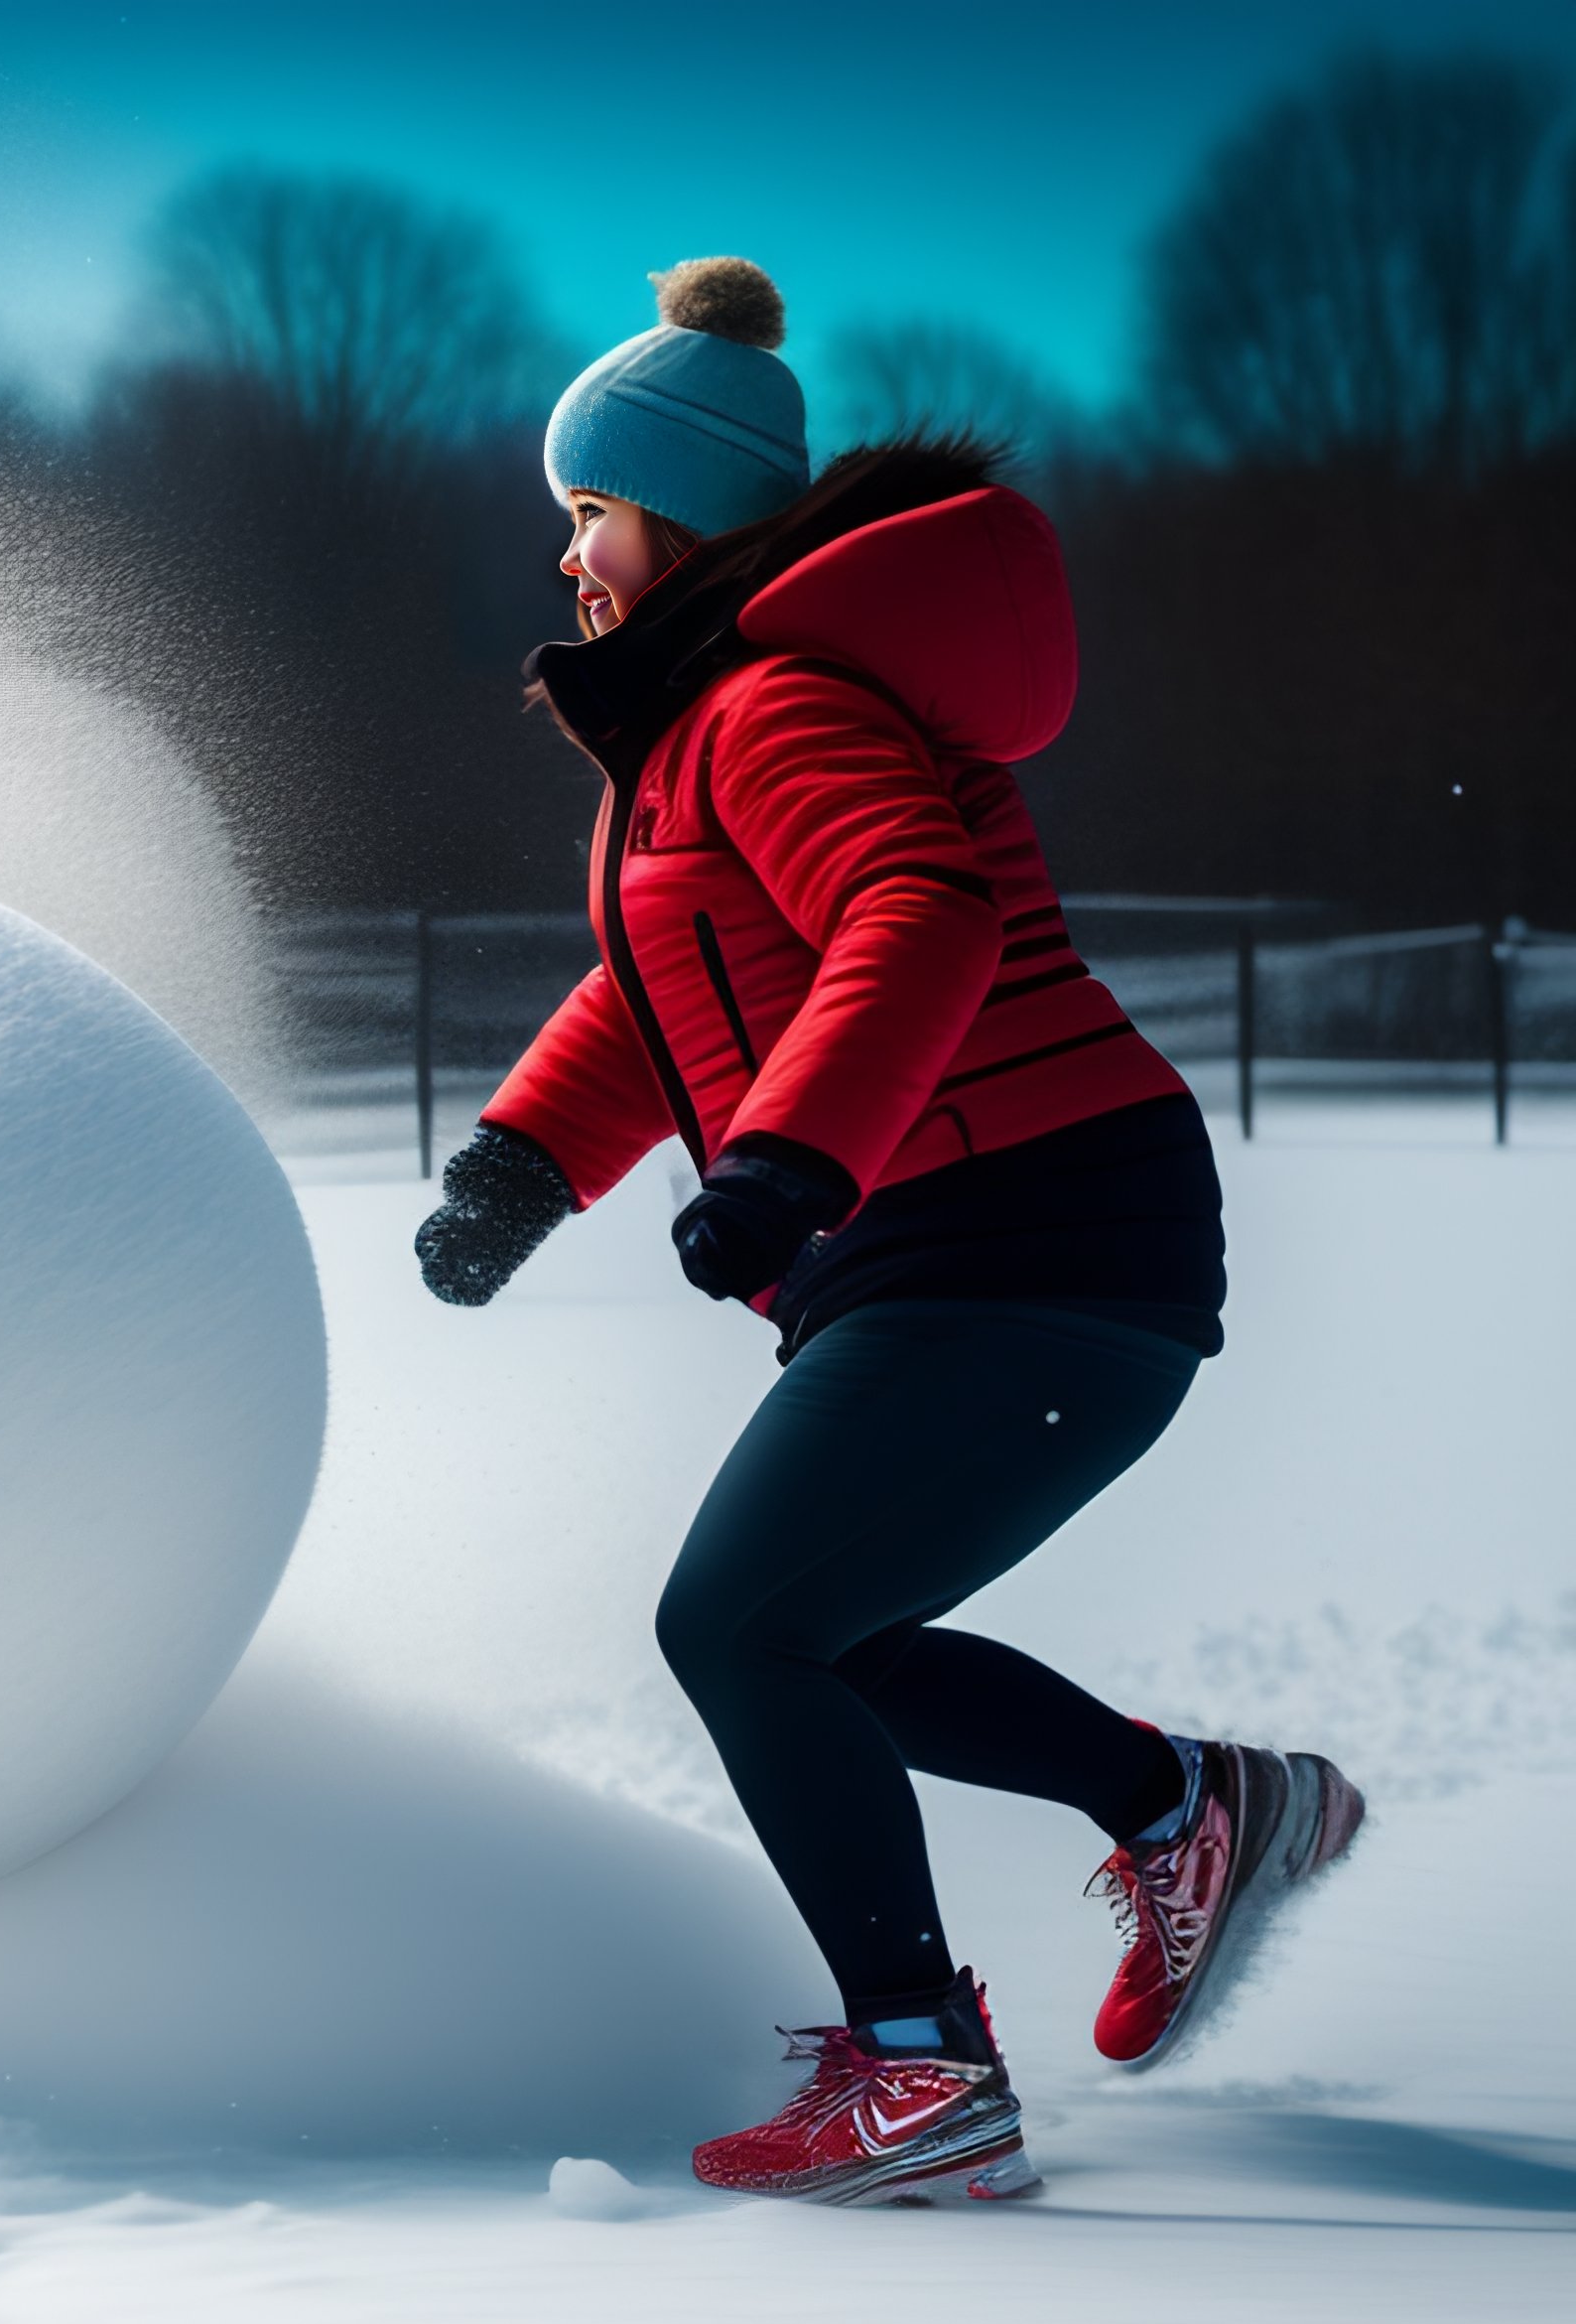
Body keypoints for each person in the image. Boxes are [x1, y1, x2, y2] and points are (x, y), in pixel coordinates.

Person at [415, 257, 1365, 2207]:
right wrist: (527, 1157)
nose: (565, 558)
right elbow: (678, 985)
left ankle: (918, 2071)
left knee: (740, 1623)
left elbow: (910, 916)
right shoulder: (692, 733)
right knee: (801, 1635)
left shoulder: (769, 699)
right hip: (965, 1233)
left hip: (1024, 1223)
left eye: (584, 513)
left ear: (669, 513)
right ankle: (1181, 1802)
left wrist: (787, 1163)